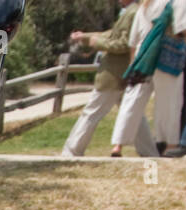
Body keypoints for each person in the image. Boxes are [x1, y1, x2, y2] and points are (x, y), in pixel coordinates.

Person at [62, 0, 155, 158]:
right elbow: (113, 34)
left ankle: (72, 152)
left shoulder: (132, 13)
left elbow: (124, 44)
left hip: (114, 75)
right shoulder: (131, 11)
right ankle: (150, 153)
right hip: (123, 75)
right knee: (135, 115)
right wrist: (85, 37)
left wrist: (99, 43)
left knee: (92, 112)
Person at [110, 0, 186, 156]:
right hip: (167, 57)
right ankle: (170, 144)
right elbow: (183, 29)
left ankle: (118, 144)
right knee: (170, 102)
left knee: (132, 101)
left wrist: (133, 62)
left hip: (144, 57)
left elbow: (133, 40)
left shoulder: (145, 4)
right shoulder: (179, 1)